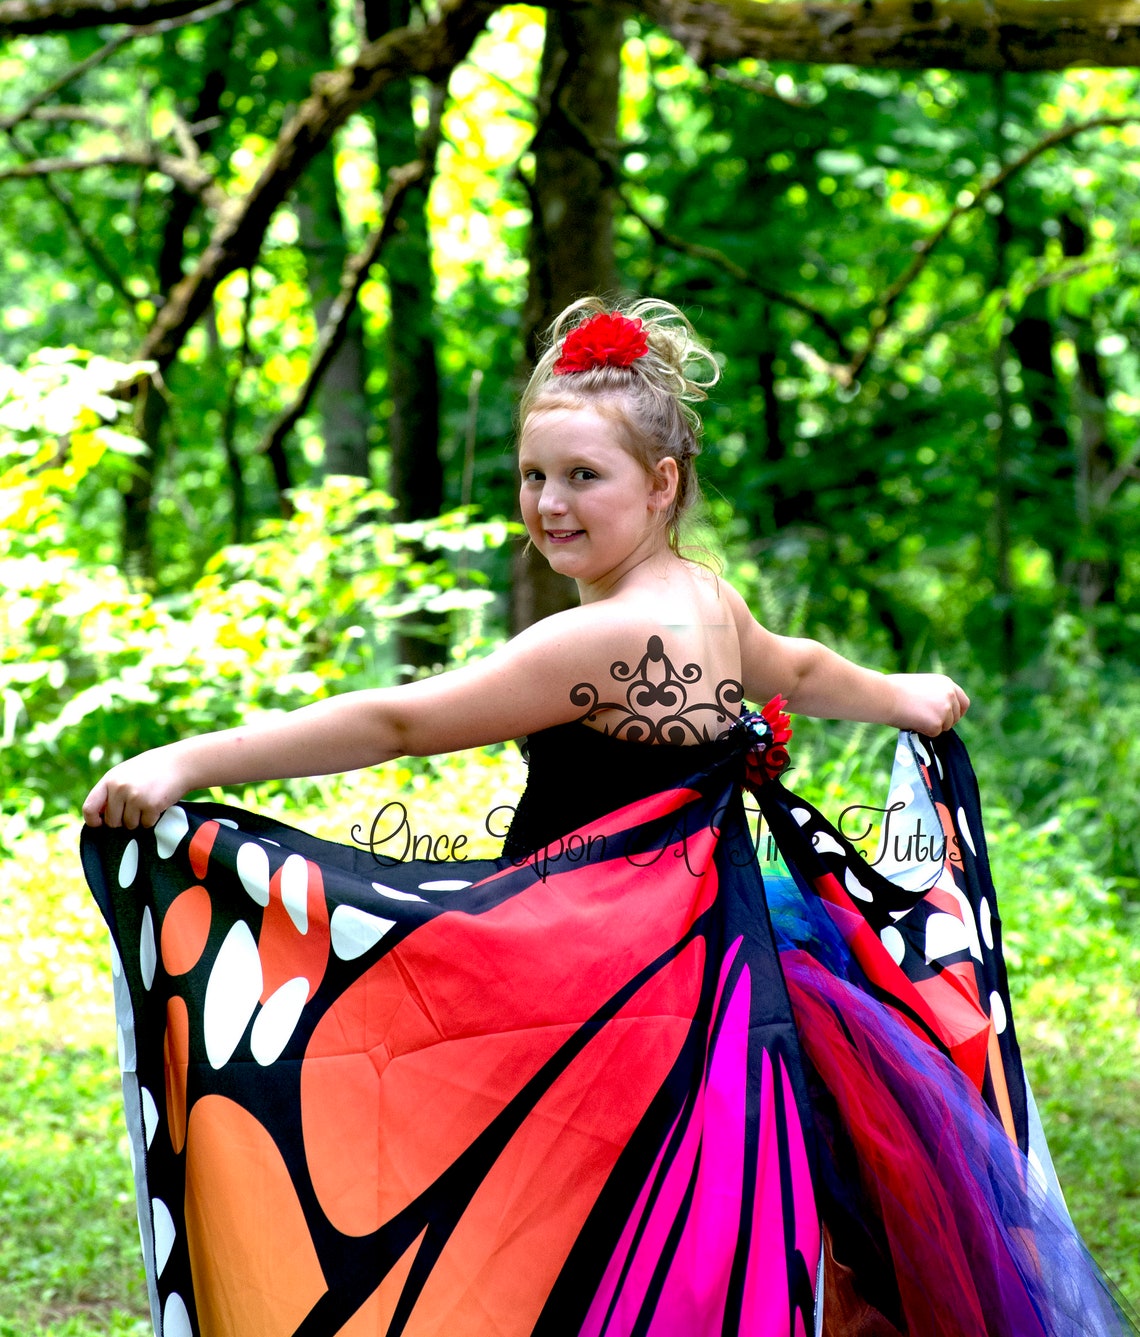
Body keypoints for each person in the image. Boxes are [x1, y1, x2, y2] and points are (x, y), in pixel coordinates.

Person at [81, 299, 1133, 1337]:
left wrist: (190, 760)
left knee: (586, 1220)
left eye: (586, 476)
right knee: (701, 1231)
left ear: (662, 483)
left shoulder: (605, 640)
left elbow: (400, 718)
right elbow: (797, 667)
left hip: (622, 997)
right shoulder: (705, 599)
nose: (549, 502)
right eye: (535, 473)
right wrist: (897, 690)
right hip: (719, 973)